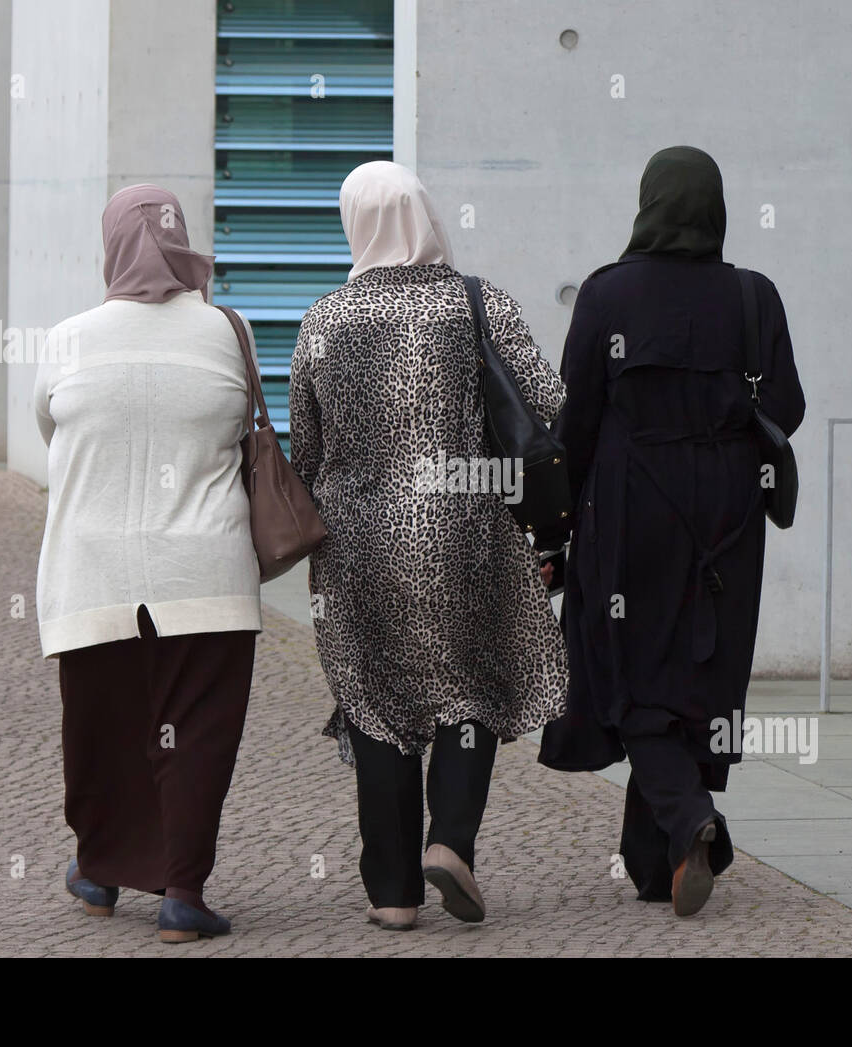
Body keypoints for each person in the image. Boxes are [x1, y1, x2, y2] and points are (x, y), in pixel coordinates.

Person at [290, 160, 568, 931]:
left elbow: (305, 454)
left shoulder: (323, 320)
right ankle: (450, 841)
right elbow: (549, 404)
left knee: (375, 706)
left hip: (354, 547)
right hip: (465, 532)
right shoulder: (479, 304)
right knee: (468, 687)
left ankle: (392, 893)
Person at [538, 146, 806, 916]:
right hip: (729, 516)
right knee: (700, 672)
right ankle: (653, 864)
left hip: (631, 509)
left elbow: (577, 422)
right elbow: (784, 406)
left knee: (628, 676)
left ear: (648, 201)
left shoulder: (608, 293)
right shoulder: (755, 297)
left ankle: (692, 823)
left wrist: (554, 533)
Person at [34, 184, 261, 943]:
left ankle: (98, 869)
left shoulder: (67, 338)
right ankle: (183, 893)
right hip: (207, 572)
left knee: (100, 724)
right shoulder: (231, 331)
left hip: (93, 571)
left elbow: (50, 430)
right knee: (196, 731)